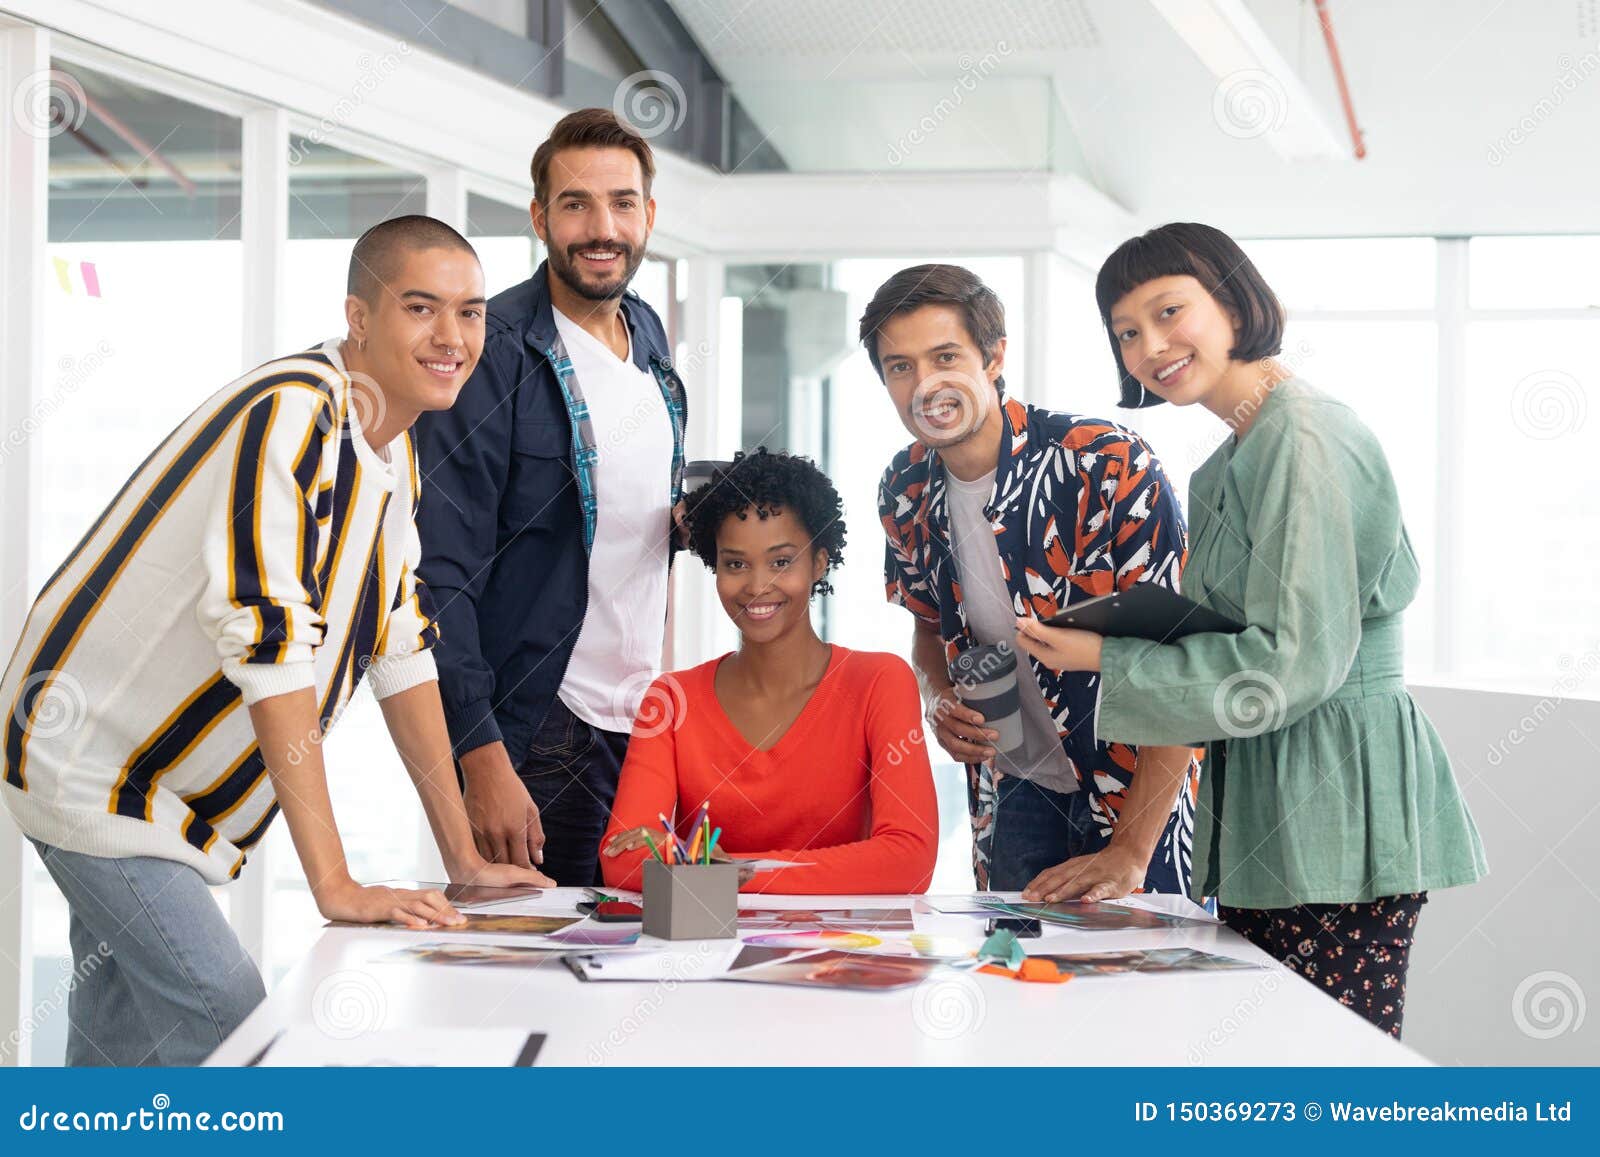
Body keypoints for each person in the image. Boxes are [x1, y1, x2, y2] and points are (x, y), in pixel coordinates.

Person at [0, 216, 552, 1066]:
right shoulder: (296, 413)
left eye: (472, 312)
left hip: (166, 789)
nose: (453, 336)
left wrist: (465, 859)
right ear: (358, 317)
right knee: (227, 1016)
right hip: (89, 763)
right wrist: (334, 882)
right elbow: (272, 649)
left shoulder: (393, 450)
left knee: (115, 1049)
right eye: (422, 307)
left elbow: (400, 648)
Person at [1013, 221, 1487, 1037]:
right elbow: (1209, 652)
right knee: (1273, 1069)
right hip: (1271, 812)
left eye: (1169, 312)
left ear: (1233, 300)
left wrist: (1105, 655)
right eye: (1127, 332)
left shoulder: (1306, 436)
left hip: (1338, 806)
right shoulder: (1227, 461)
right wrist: (1133, 847)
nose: (1151, 345)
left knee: (1330, 1080)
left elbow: (1288, 661)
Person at [415, 108, 688, 888]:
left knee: (635, 956)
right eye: (576, 205)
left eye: (622, 203)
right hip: (540, 729)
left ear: (648, 214)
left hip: (640, 720)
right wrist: (482, 751)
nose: (602, 228)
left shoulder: (648, 333)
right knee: (534, 974)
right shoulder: (492, 348)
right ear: (540, 217)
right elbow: (441, 570)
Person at [867, 264, 1200, 897]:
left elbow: (1182, 661)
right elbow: (927, 626)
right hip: (1014, 790)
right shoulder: (905, 488)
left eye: (945, 356)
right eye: (900, 367)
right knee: (1013, 979)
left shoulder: (1107, 464)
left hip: (1136, 798)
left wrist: (1131, 851)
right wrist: (938, 699)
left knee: (1143, 985)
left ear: (994, 357)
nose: (925, 385)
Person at [601, 450, 938, 894]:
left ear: (819, 562)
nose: (757, 586)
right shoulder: (671, 699)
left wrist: (724, 869)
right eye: (735, 563)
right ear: (713, 566)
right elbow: (622, 862)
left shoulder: (880, 682)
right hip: (703, 947)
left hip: (841, 954)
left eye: (781, 561)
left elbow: (908, 860)